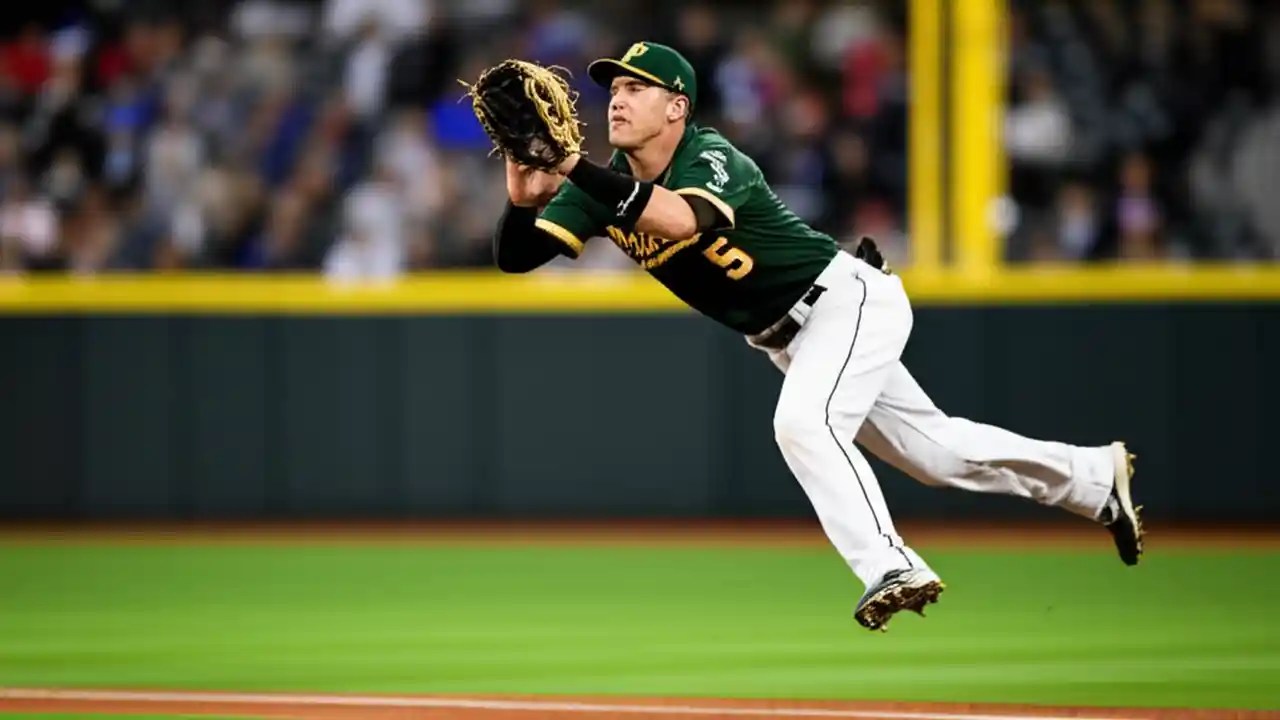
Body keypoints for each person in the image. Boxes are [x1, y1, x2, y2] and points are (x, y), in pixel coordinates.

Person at [491, 42, 1143, 631]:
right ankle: (1091, 478)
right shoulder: (599, 188)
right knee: (939, 455)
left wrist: (572, 165)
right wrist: (522, 199)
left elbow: (680, 220)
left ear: (677, 106)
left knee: (802, 423)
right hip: (791, 337)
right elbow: (516, 258)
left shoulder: (710, 155)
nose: (619, 100)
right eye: (615, 89)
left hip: (845, 300)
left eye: (637, 88)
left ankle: (892, 567)